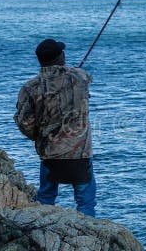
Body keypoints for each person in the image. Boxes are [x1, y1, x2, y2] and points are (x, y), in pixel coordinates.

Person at [14, 38, 97, 217]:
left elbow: (24, 122)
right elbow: (86, 77)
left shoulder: (30, 87)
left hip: (49, 152)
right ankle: (88, 233)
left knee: (46, 197)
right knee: (85, 201)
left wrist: (38, 136)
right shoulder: (80, 77)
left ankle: (38, 229)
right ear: (62, 56)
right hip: (79, 153)